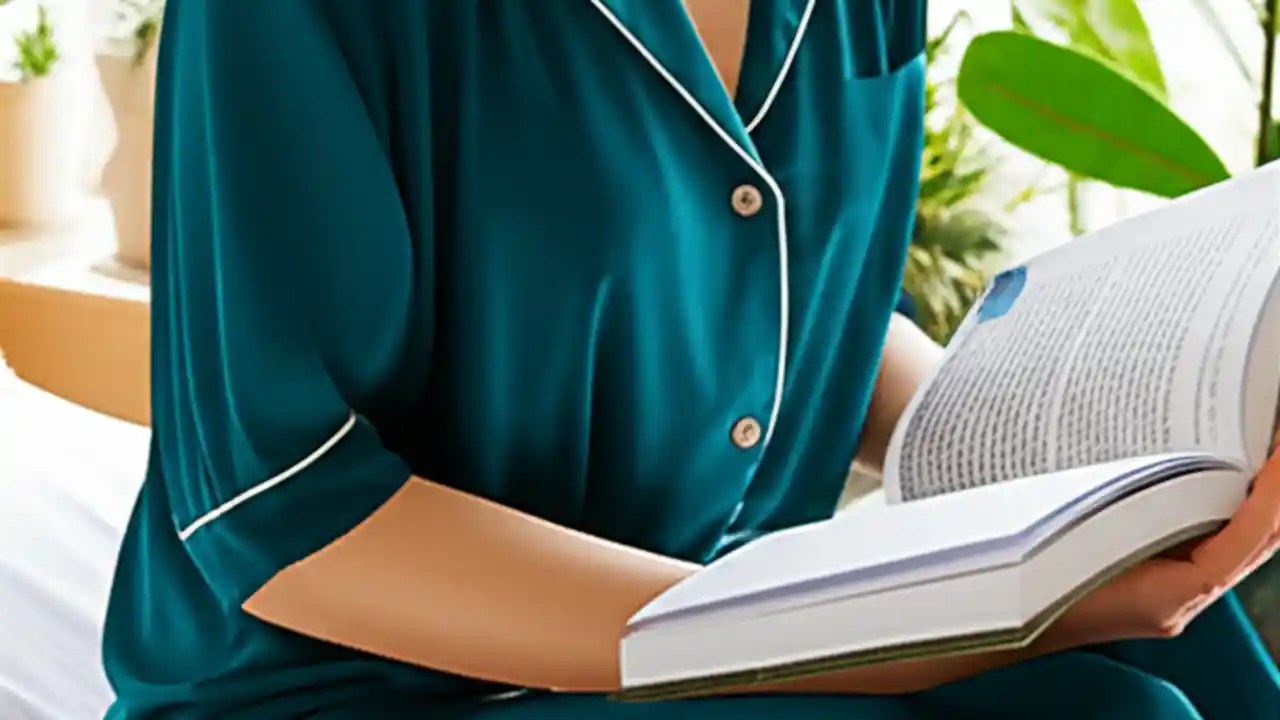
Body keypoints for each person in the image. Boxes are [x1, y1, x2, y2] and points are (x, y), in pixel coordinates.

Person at [101, 2, 1280, 718]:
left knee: (1157, 650)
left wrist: (1095, 454)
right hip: (358, 692)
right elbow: (285, 511)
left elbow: (786, 288)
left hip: (699, 642)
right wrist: (859, 636)